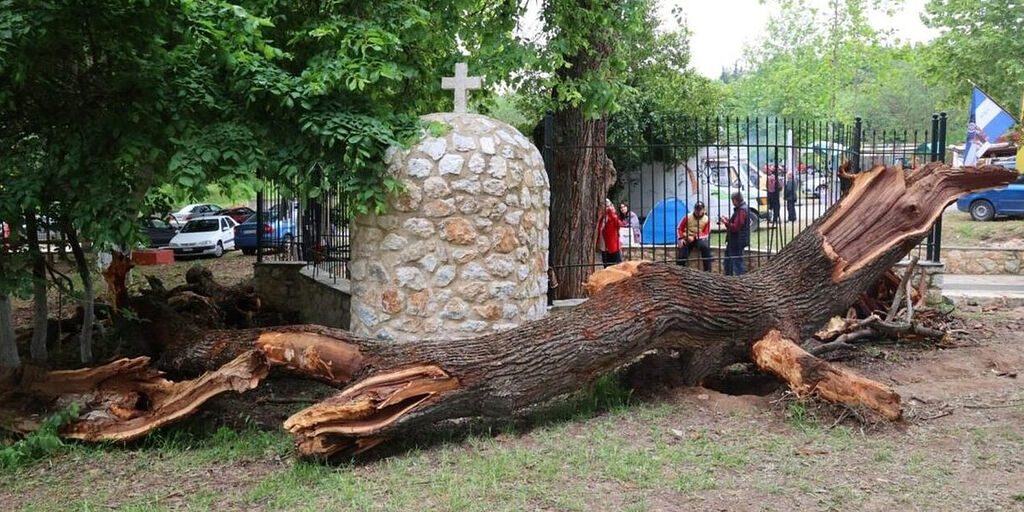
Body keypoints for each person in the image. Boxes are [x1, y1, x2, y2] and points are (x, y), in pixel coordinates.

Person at [719, 191, 749, 276]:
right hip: (734, 240)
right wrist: (728, 220)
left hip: (737, 240)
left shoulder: (742, 210)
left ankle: (741, 278)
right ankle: (728, 277)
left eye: (733, 200)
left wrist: (726, 222)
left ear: (736, 200)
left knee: (737, 262)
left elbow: (735, 227)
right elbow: (736, 223)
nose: (732, 202)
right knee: (728, 261)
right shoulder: (741, 208)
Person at [676, 201, 711, 271]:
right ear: (694, 209)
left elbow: (706, 233)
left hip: (699, 239)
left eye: (700, 209)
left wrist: (694, 237)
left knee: (705, 248)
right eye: (697, 209)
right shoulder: (687, 217)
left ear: (703, 210)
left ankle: (707, 271)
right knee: (682, 254)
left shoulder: (706, 219)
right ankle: (679, 270)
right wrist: (681, 238)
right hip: (687, 237)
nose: (698, 211)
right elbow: (679, 228)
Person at [596, 199, 625, 267]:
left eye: (609, 206)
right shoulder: (602, 218)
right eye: (606, 206)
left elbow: (619, 224)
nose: (607, 208)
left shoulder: (613, 217)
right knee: (607, 267)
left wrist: (611, 213)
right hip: (604, 247)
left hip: (613, 247)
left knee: (617, 267)